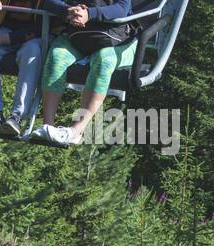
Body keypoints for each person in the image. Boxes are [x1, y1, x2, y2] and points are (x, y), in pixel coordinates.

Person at [33, 2, 137, 146]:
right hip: (79, 35)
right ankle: (47, 126)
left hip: (117, 39)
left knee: (103, 61)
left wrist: (89, 14)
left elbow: (121, 9)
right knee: (57, 56)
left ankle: (77, 130)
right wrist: (68, 11)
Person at [0, 0, 50, 139]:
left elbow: (51, 21)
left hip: (38, 34)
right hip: (6, 29)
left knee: (32, 52)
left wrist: (5, 38)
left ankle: (17, 116)